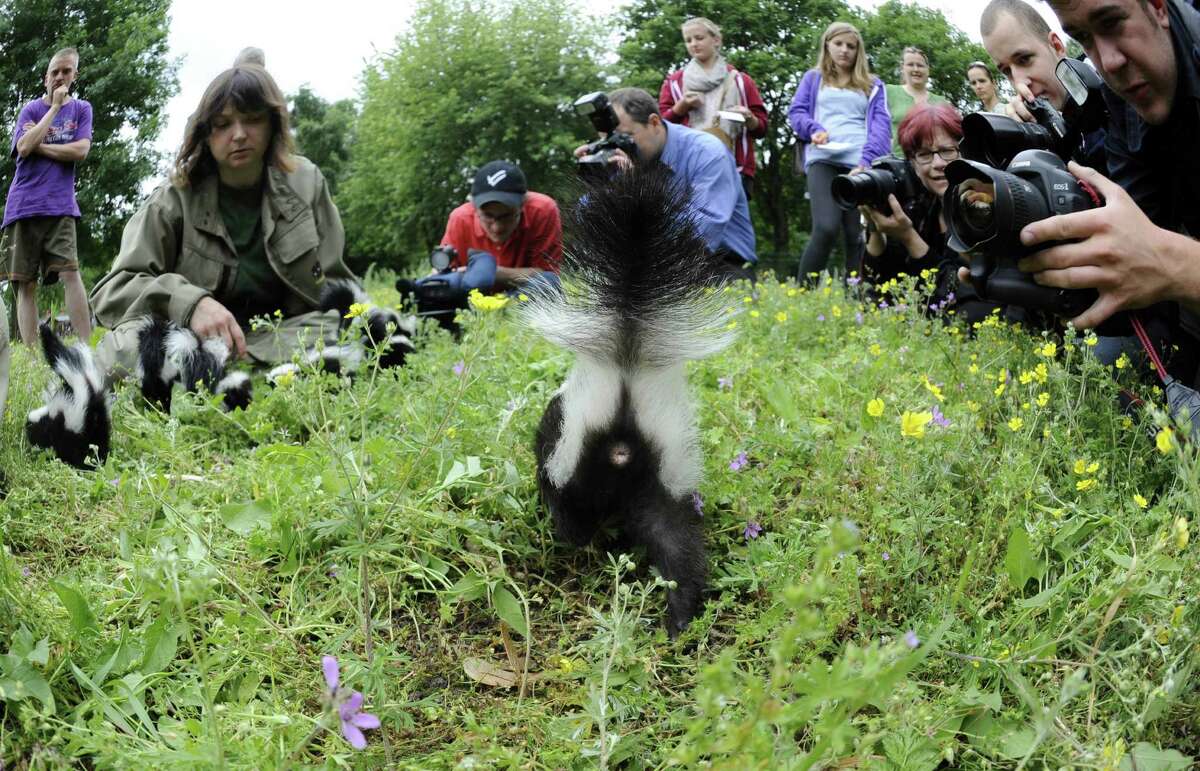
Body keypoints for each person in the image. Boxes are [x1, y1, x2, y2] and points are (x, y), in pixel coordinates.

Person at [90, 64, 357, 377]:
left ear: (273, 125)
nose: (240, 134)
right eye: (223, 124)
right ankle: (257, 374)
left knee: (363, 332)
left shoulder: (306, 182)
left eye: (253, 119)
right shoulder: (171, 199)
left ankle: (238, 374)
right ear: (205, 133)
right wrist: (190, 303)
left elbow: (339, 289)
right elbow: (113, 291)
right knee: (122, 354)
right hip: (194, 339)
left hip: (286, 334)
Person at [1015, 0, 1200, 344]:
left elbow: (1156, 255)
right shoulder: (1121, 98)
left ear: (1158, 6)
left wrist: (1175, 265)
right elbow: (1136, 232)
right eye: (1084, 37)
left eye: (1113, 22)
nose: (1109, 62)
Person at [574, 87, 756, 282]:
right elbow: (587, 222)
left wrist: (634, 190)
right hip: (655, 263)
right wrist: (597, 184)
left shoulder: (708, 153)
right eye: (609, 139)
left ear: (654, 122)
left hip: (720, 264)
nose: (617, 146)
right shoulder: (623, 159)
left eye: (624, 136)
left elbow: (697, 235)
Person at [1, 47, 93, 346]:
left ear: (74, 75)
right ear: (46, 78)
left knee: (71, 273)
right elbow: (24, 147)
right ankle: (30, 357)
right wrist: (53, 109)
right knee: (24, 283)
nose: (59, 76)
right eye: (54, 72)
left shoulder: (82, 110)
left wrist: (41, 145)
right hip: (22, 206)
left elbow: (80, 151)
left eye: (66, 71)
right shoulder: (30, 110)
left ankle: (85, 349)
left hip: (61, 206)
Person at [788, 21, 890, 282]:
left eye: (851, 46)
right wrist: (812, 128)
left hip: (859, 164)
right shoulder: (813, 79)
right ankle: (802, 293)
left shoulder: (873, 84)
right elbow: (797, 112)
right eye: (839, 44)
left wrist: (867, 162)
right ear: (827, 45)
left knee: (857, 233)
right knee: (826, 227)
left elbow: (881, 126)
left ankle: (857, 297)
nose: (844, 50)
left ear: (858, 51)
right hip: (823, 159)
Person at [658, 16, 769, 199]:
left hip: (736, 167)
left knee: (734, 227)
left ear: (716, 40)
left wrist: (749, 118)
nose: (694, 44)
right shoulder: (674, 83)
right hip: (688, 169)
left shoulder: (741, 81)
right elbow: (659, 127)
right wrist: (681, 107)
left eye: (699, 38)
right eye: (688, 40)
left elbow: (762, 128)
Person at [435, 160, 561, 292]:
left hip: (523, 296)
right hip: (473, 299)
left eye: (506, 216)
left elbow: (548, 274)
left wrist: (486, 271)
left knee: (549, 283)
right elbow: (443, 272)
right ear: (474, 207)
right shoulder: (460, 219)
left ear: (524, 204)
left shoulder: (543, 210)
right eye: (488, 216)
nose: (497, 228)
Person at [885, 47, 949, 154]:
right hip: (898, 162)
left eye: (920, 65)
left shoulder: (941, 101)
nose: (916, 69)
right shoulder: (888, 92)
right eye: (910, 65)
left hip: (932, 162)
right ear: (902, 68)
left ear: (928, 70)